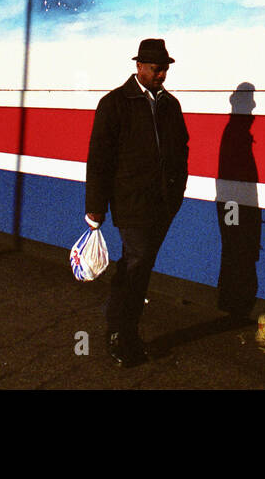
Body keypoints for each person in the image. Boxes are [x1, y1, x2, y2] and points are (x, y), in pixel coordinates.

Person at [85, 38, 189, 367]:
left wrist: (177, 193)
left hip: (162, 203)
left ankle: (127, 332)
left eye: (165, 69)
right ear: (139, 66)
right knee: (136, 263)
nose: (162, 75)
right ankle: (119, 333)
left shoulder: (170, 105)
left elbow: (181, 149)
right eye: (157, 69)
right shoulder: (115, 103)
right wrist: (95, 206)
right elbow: (99, 158)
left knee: (138, 265)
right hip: (130, 202)